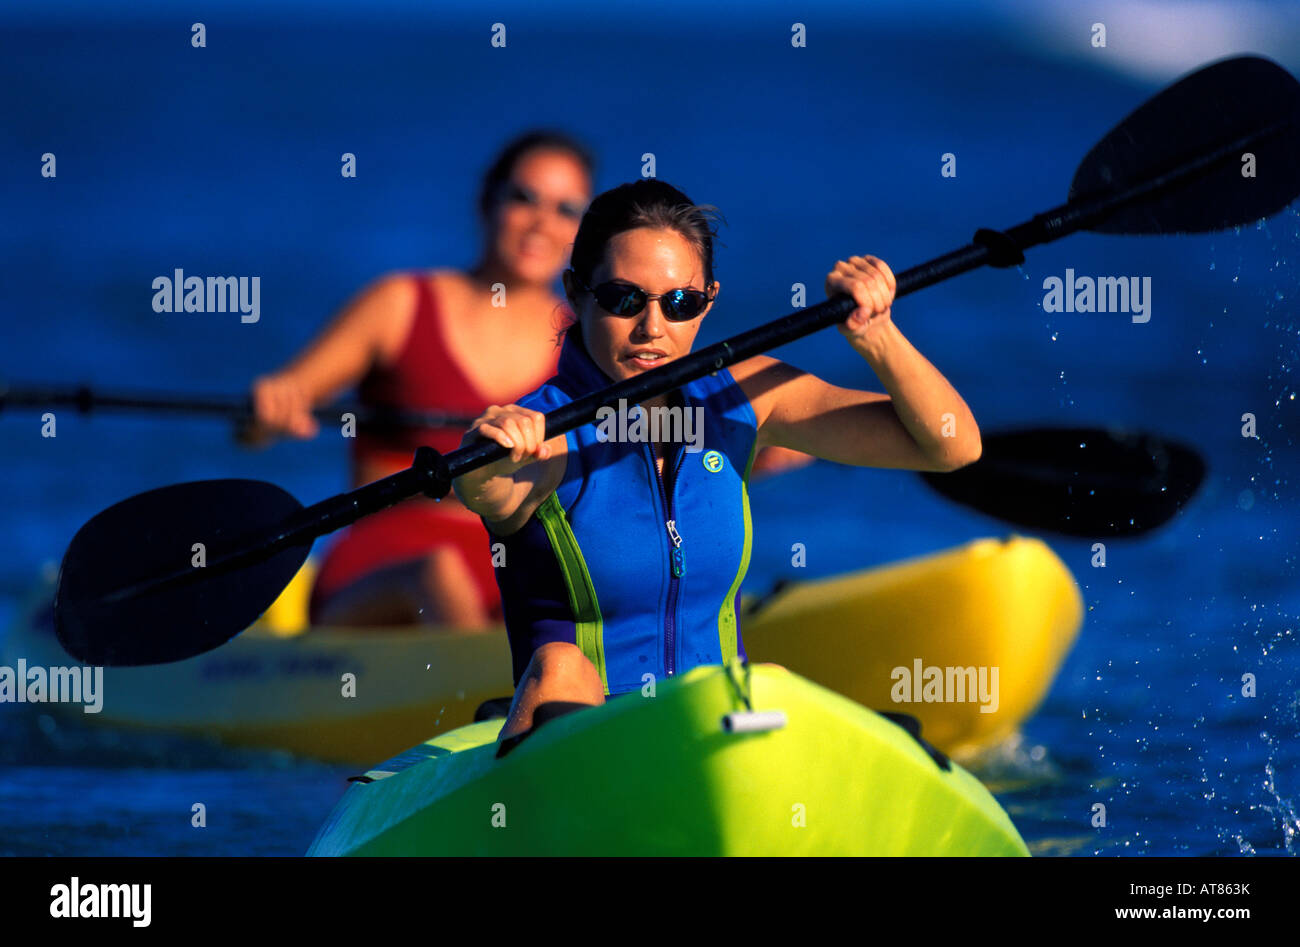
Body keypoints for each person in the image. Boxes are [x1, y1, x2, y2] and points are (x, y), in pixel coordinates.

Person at [451, 179, 982, 741]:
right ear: (577, 294)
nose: (653, 328)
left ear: (709, 301)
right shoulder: (544, 434)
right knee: (562, 665)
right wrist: (483, 454)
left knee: (771, 682)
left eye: (680, 303)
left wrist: (878, 338)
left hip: (712, 729)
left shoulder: (742, 397)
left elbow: (951, 446)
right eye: (623, 299)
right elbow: (486, 492)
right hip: (580, 739)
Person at [241, 130, 595, 629]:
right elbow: (254, 429)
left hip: (504, 566)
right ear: (486, 203)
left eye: (566, 209)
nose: (541, 223)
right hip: (384, 566)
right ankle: (502, 695)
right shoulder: (398, 305)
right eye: (523, 198)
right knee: (440, 573)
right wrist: (268, 411)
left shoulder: (583, 341)